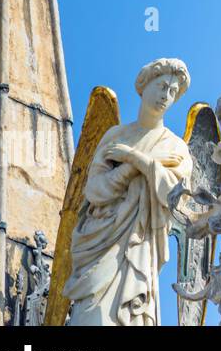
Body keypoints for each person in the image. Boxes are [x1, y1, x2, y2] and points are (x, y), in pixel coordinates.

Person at [63, 59, 193, 326]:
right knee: (89, 318)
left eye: (172, 92)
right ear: (143, 86)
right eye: (161, 87)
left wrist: (136, 160)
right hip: (100, 244)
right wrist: (135, 168)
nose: (165, 96)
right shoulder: (115, 135)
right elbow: (95, 190)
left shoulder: (176, 147)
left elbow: (174, 197)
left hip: (139, 249)